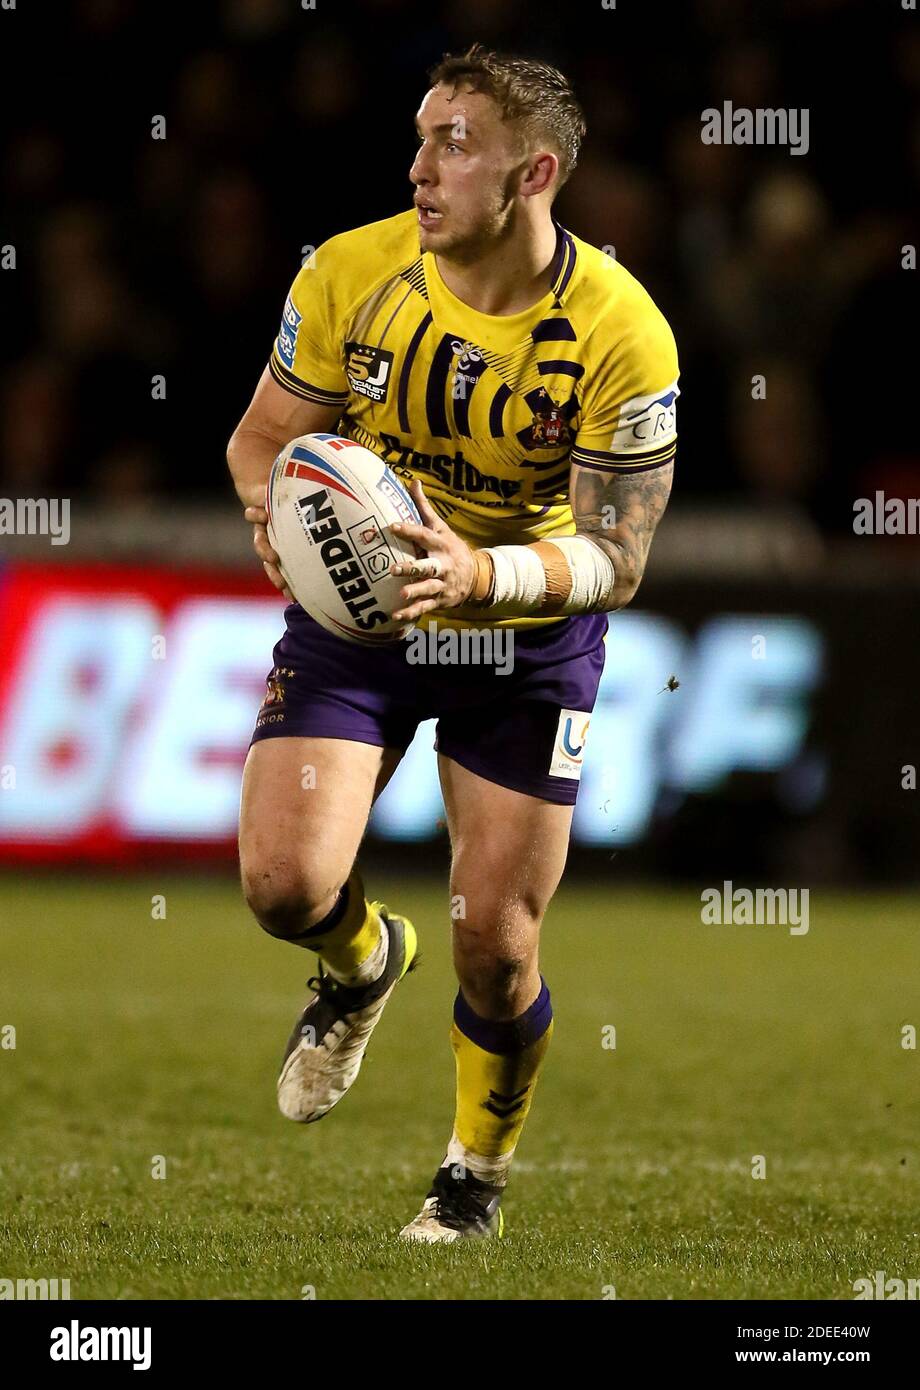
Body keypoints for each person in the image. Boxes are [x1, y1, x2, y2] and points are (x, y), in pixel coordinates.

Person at [227, 44, 678, 1242]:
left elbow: (615, 557)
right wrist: (274, 518)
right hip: (366, 623)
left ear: (532, 174)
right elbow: (262, 435)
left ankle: (470, 1179)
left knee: (497, 943)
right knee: (284, 887)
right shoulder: (350, 271)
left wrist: (480, 575)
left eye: (452, 145)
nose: (418, 167)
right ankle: (364, 961)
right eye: (421, 137)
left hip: (522, 628)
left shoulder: (622, 333)